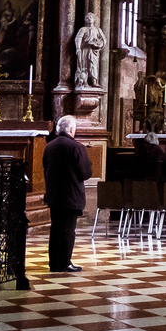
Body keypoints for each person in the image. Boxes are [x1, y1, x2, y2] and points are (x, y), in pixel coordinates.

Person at [42, 115, 92, 273]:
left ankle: (54, 263)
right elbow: (85, 173)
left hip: (54, 195)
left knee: (56, 228)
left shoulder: (49, 146)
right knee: (68, 231)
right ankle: (64, 262)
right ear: (71, 129)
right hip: (71, 196)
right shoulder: (76, 147)